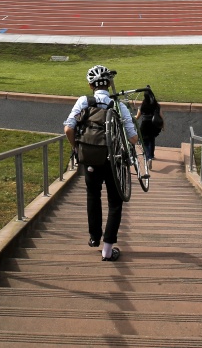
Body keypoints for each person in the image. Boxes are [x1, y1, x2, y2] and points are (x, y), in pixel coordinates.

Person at [63, 65, 137, 262]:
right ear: (109, 83)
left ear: (90, 85)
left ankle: (94, 237)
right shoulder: (118, 105)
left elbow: (68, 129)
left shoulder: (84, 102)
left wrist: (76, 149)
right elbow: (133, 138)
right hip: (115, 162)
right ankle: (107, 249)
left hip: (91, 159)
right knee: (115, 202)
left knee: (93, 196)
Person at [134, 88, 165, 170]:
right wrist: (163, 126)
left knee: (144, 141)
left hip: (144, 124)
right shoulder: (157, 105)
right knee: (152, 140)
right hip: (154, 125)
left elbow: (137, 117)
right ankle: (151, 156)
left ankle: (148, 157)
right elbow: (161, 116)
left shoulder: (142, 105)